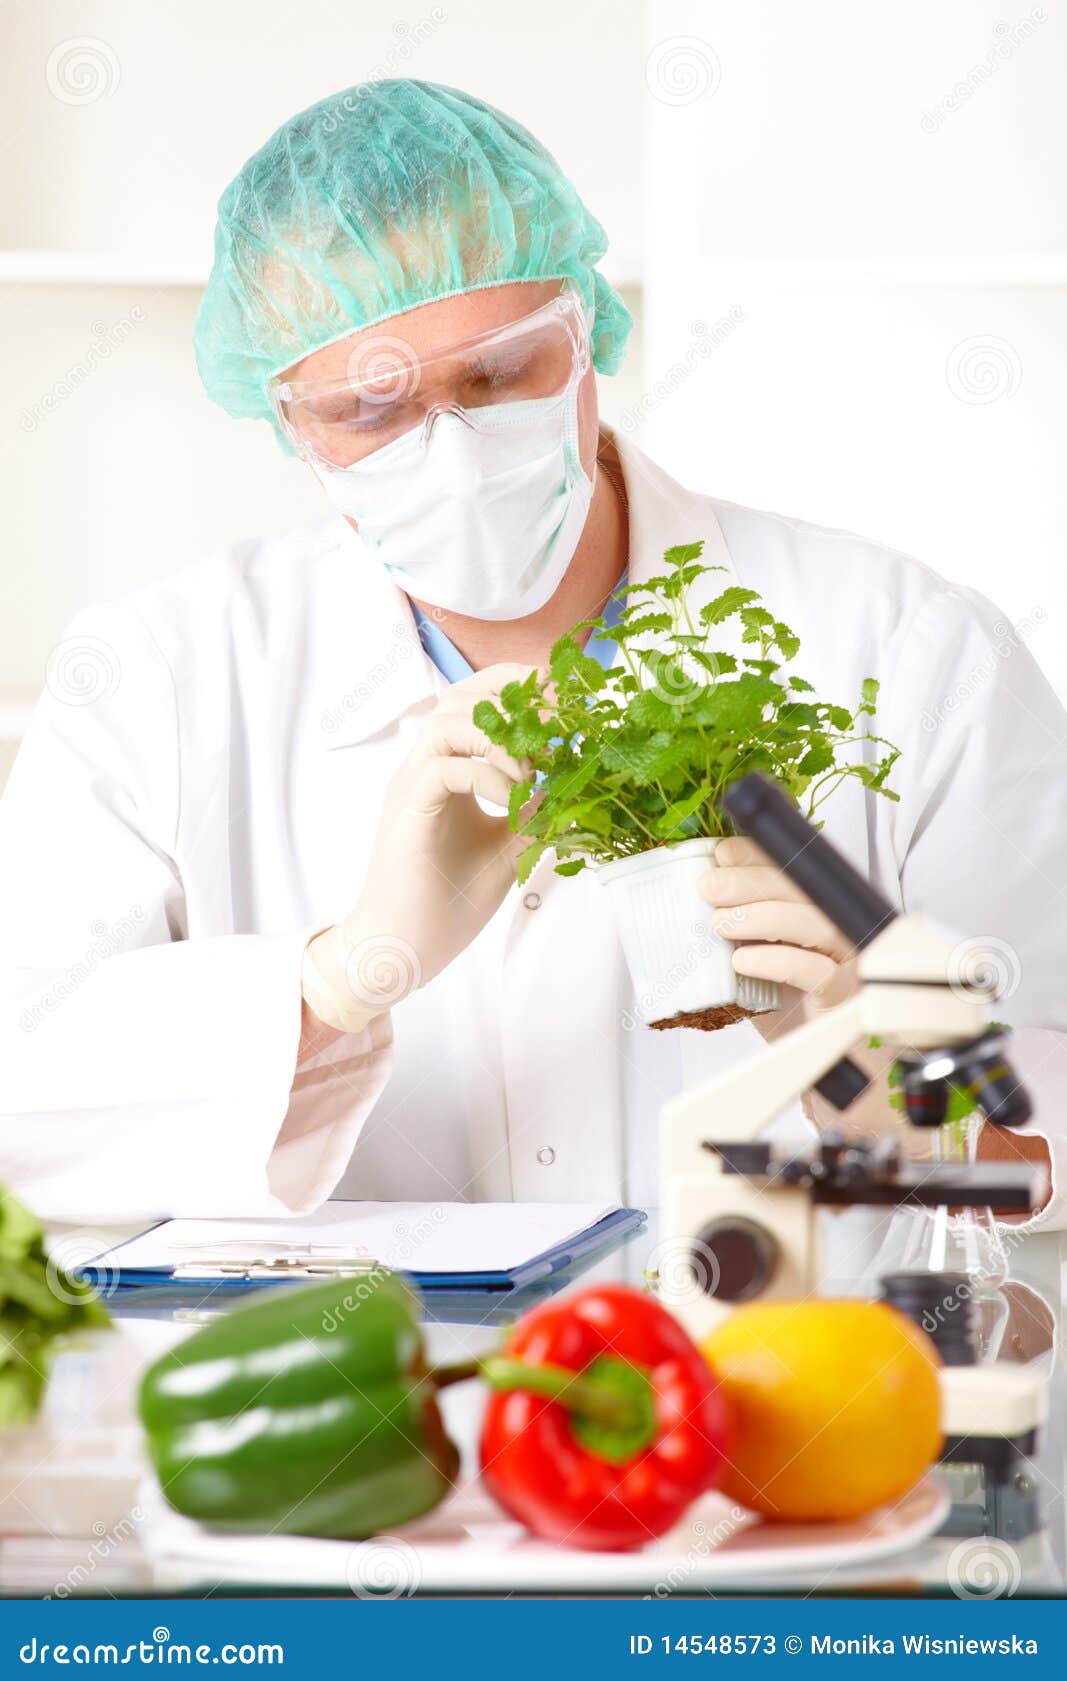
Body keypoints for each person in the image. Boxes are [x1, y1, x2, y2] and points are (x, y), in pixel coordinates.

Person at [1, 79, 1063, 1226]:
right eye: (367, 410)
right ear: (287, 423)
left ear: (586, 328)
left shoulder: (909, 650)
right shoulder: (160, 678)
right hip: (365, 1347)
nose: (451, 453)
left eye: (499, 374)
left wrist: (874, 1071)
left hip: (779, 1345)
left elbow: (1030, 1167)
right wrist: (339, 976)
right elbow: (23, 1108)